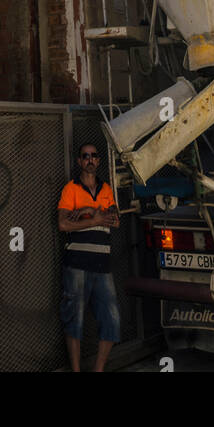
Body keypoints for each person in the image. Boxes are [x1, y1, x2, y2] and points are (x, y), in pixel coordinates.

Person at [57, 142, 121, 372]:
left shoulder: (105, 189)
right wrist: (94, 218)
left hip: (103, 266)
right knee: (74, 320)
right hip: (76, 265)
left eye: (94, 156)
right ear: (79, 161)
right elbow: (63, 224)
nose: (90, 159)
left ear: (99, 161)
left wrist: (87, 212)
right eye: (85, 156)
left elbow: (115, 220)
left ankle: (98, 370)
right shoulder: (70, 189)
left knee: (112, 320)